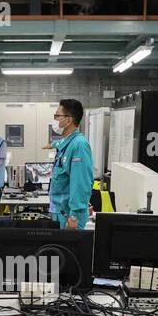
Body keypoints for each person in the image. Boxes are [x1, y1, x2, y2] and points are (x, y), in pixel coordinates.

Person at [49, 99, 95, 230]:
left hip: (69, 218)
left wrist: (74, 216)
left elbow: (81, 183)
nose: (54, 119)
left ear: (68, 120)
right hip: (60, 213)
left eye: (57, 116)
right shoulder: (67, 144)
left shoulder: (79, 145)